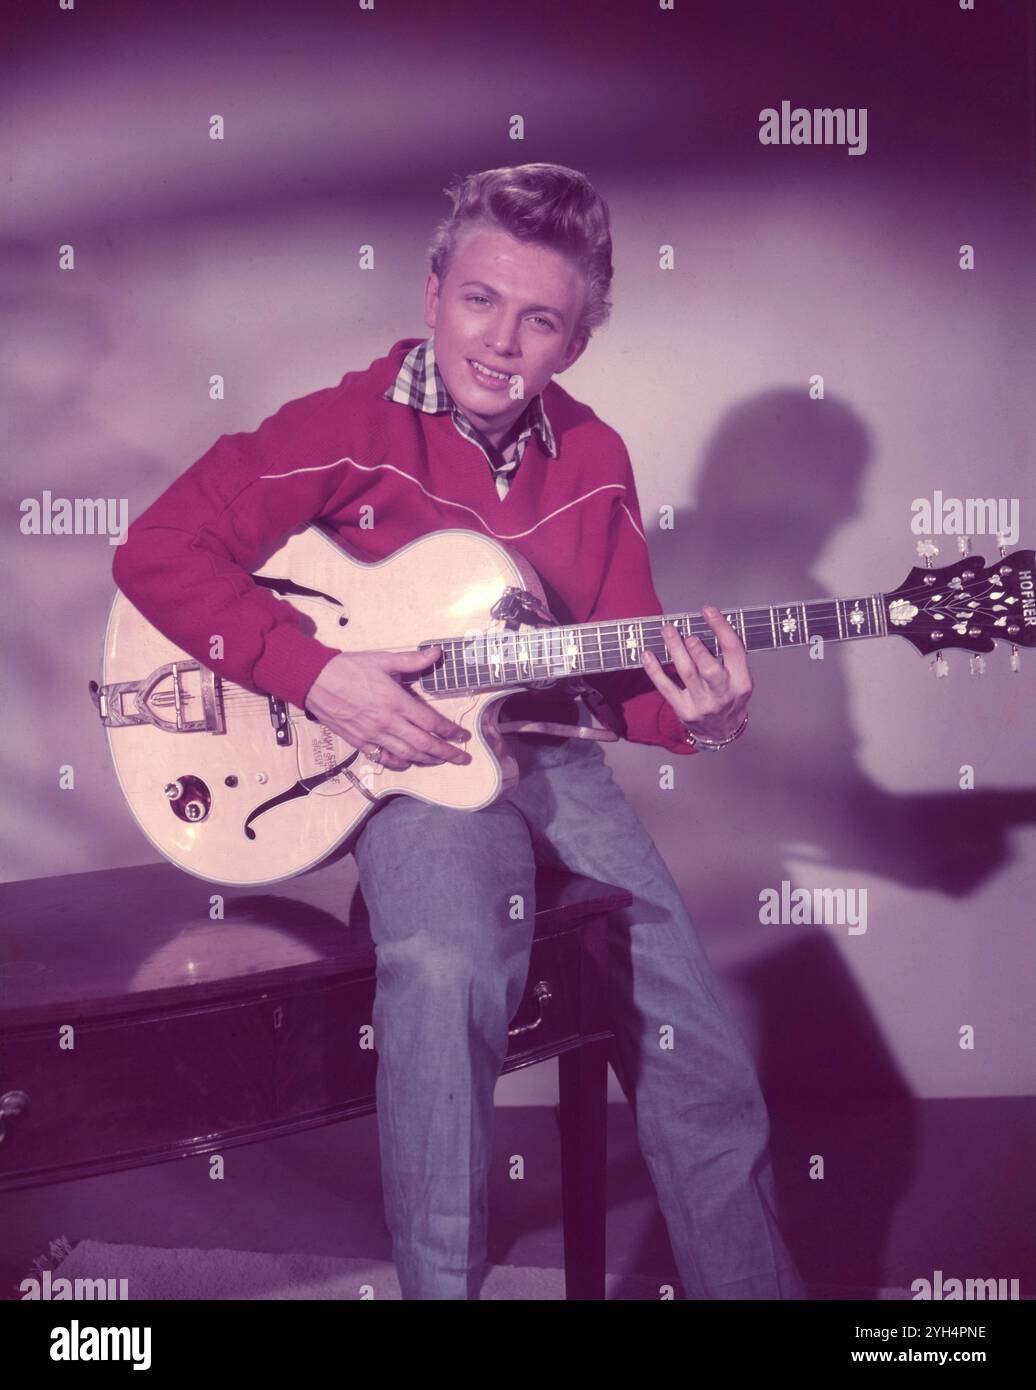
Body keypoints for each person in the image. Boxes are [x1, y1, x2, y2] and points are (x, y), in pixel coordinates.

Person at [112, 162, 806, 1300]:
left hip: (551, 764)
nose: (501, 341)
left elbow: (619, 669)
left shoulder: (594, 458)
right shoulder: (343, 426)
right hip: (405, 761)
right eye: (480, 300)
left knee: (703, 1050)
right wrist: (320, 674)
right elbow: (154, 554)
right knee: (440, 974)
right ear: (432, 293)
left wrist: (708, 715)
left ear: (575, 343)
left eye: (542, 320)